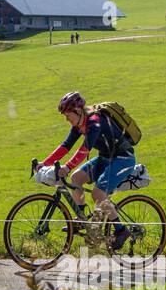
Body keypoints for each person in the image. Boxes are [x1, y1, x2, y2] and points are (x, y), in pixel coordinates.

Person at [39, 91, 135, 249]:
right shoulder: (79, 124)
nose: (67, 119)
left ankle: (121, 231)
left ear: (78, 111)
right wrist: (44, 163)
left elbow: (85, 149)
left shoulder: (94, 121)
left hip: (123, 159)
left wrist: (67, 166)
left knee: (98, 193)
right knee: (76, 178)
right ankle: (81, 218)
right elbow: (66, 145)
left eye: (68, 115)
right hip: (105, 158)